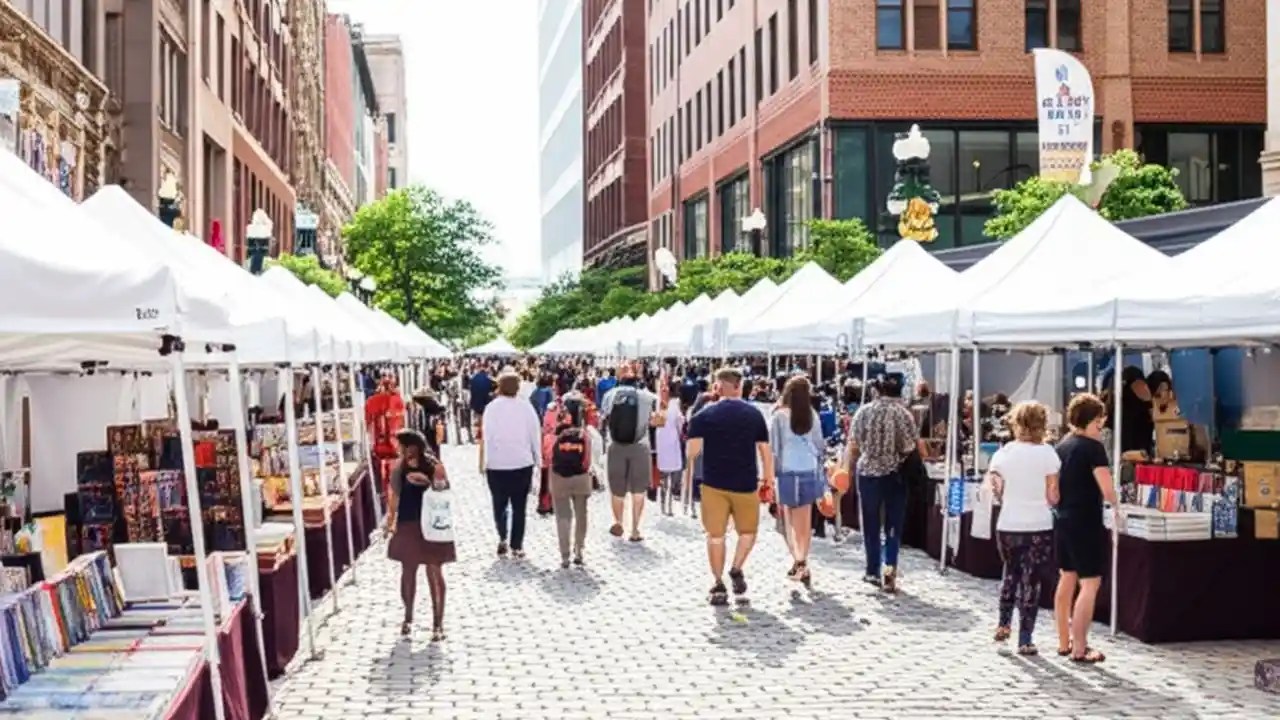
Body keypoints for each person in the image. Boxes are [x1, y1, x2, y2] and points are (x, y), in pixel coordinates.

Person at [685, 367, 774, 606]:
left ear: (717, 387)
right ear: (739, 386)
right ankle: (736, 567)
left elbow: (692, 452)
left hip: (713, 483)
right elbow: (765, 451)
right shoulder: (754, 415)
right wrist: (769, 479)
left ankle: (717, 583)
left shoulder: (704, 416)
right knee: (748, 533)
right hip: (745, 483)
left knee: (715, 536)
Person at [985, 401, 1060, 656]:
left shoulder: (1004, 453)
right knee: (1032, 580)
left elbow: (996, 487)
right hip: (1038, 523)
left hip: (1009, 523)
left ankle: (1003, 622)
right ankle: (1025, 638)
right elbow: (1053, 496)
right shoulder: (1048, 454)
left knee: (1010, 572)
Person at [1053, 393, 1119, 664]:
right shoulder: (1093, 448)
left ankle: (1063, 641)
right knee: (1089, 583)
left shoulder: (1062, 446)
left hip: (1062, 518)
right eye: (1099, 422)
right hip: (1086, 520)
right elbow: (1106, 488)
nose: (1100, 427)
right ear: (1092, 420)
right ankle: (1080, 647)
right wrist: (1116, 502)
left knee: (1067, 577)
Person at [847, 374, 917, 592]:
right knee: (893, 524)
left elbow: (854, 442)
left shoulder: (864, 412)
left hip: (868, 472)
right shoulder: (904, 414)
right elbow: (908, 446)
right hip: (895, 472)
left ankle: (872, 570)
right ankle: (890, 567)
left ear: (876, 390)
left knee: (870, 522)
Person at [385, 429, 455, 640]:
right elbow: (394, 497)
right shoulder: (400, 468)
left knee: (433, 572)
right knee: (409, 571)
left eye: (401, 445)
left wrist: (429, 481)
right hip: (410, 523)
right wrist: (391, 520)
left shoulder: (434, 466)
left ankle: (437, 624)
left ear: (410, 447)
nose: (399, 449)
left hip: (431, 526)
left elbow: (445, 492)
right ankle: (408, 618)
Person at [770, 376, 825, 587]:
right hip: (809, 470)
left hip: (787, 471)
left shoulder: (779, 417)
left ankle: (798, 560)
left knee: (788, 522)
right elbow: (820, 446)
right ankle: (802, 560)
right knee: (804, 521)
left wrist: (769, 476)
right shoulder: (812, 415)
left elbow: (774, 448)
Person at [481, 371, 542, 559]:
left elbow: (487, 436)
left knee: (499, 504)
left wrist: (485, 461)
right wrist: (538, 459)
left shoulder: (491, 408)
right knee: (519, 506)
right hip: (521, 463)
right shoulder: (526, 407)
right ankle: (517, 544)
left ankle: (502, 537)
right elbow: (535, 434)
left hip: (497, 464)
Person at [600, 362, 663, 541]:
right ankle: (635, 529)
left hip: (616, 446)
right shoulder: (648, 397)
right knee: (638, 490)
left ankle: (618, 522)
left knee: (617, 490)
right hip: (640, 446)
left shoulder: (609, 395)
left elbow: (602, 417)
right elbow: (658, 421)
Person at [548, 404, 593, 568]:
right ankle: (579, 550)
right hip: (580, 477)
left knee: (563, 516)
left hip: (559, 477)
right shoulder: (584, 435)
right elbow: (588, 459)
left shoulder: (556, 434)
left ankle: (564, 555)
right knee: (581, 514)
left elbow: (549, 456)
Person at [655, 395, 685, 516]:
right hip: (672, 438)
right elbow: (680, 422)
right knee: (672, 476)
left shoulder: (659, 402)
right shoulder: (675, 404)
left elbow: (656, 422)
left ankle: (663, 505)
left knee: (663, 475)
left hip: (661, 438)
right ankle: (669, 506)